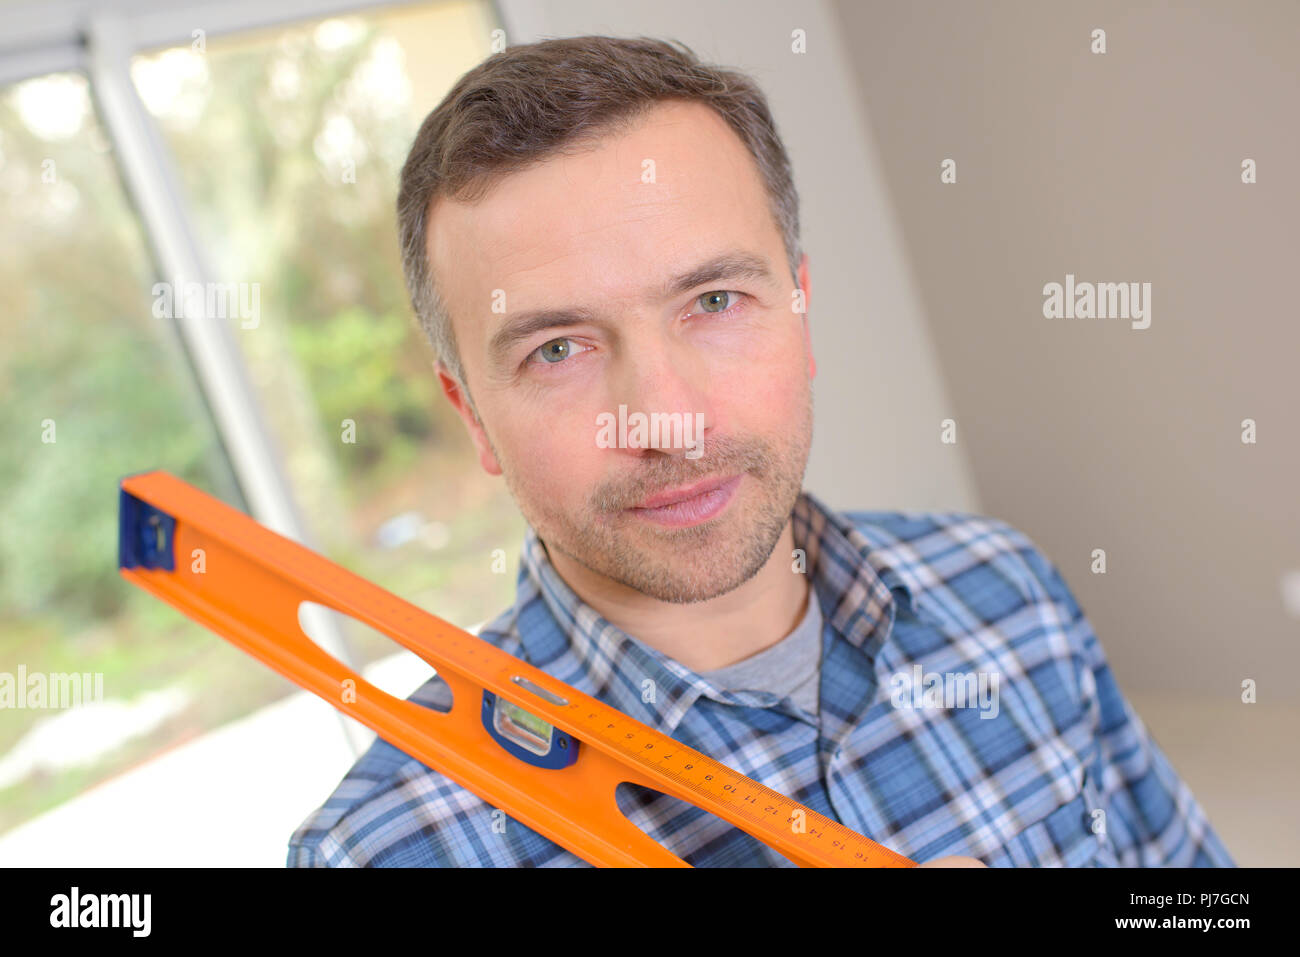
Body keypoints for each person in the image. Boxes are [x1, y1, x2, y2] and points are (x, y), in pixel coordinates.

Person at [288, 35, 1233, 868]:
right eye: (558, 349)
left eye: (712, 303)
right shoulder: (384, 849)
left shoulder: (1009, 591)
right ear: (471, 416)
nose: (667, 421)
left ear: (801, 309)